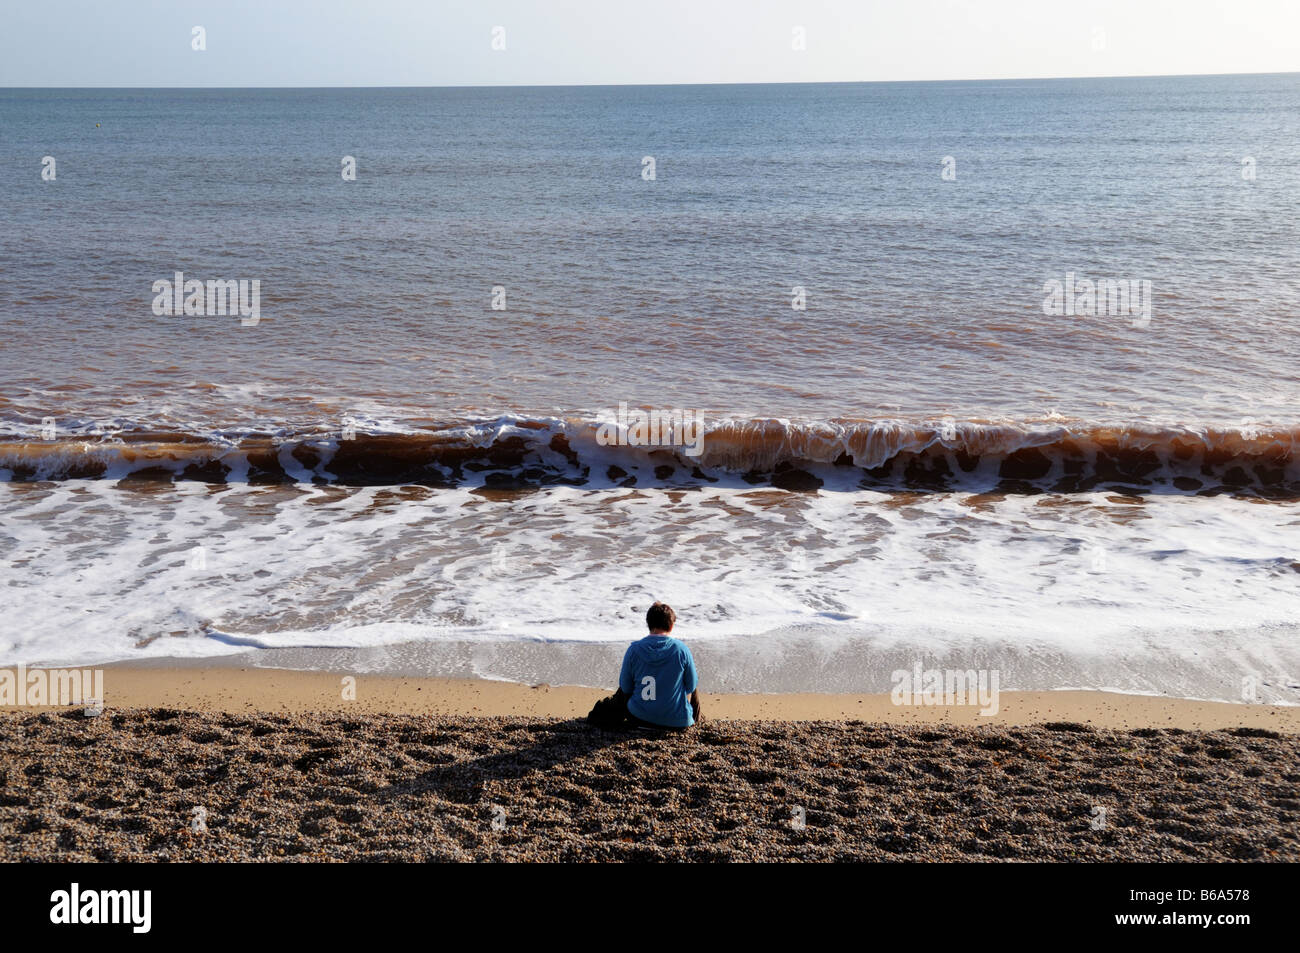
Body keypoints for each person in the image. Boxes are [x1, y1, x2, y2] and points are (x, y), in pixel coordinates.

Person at [587, 602, 700, 730]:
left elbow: (626, 687)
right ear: (672, 625)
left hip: (639, 718)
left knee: (626, 685)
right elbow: (691, 686)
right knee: (692, 681)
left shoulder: (634, 650)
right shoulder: (681, 650)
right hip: (677, 722)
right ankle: (695, 719)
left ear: (648, 624)